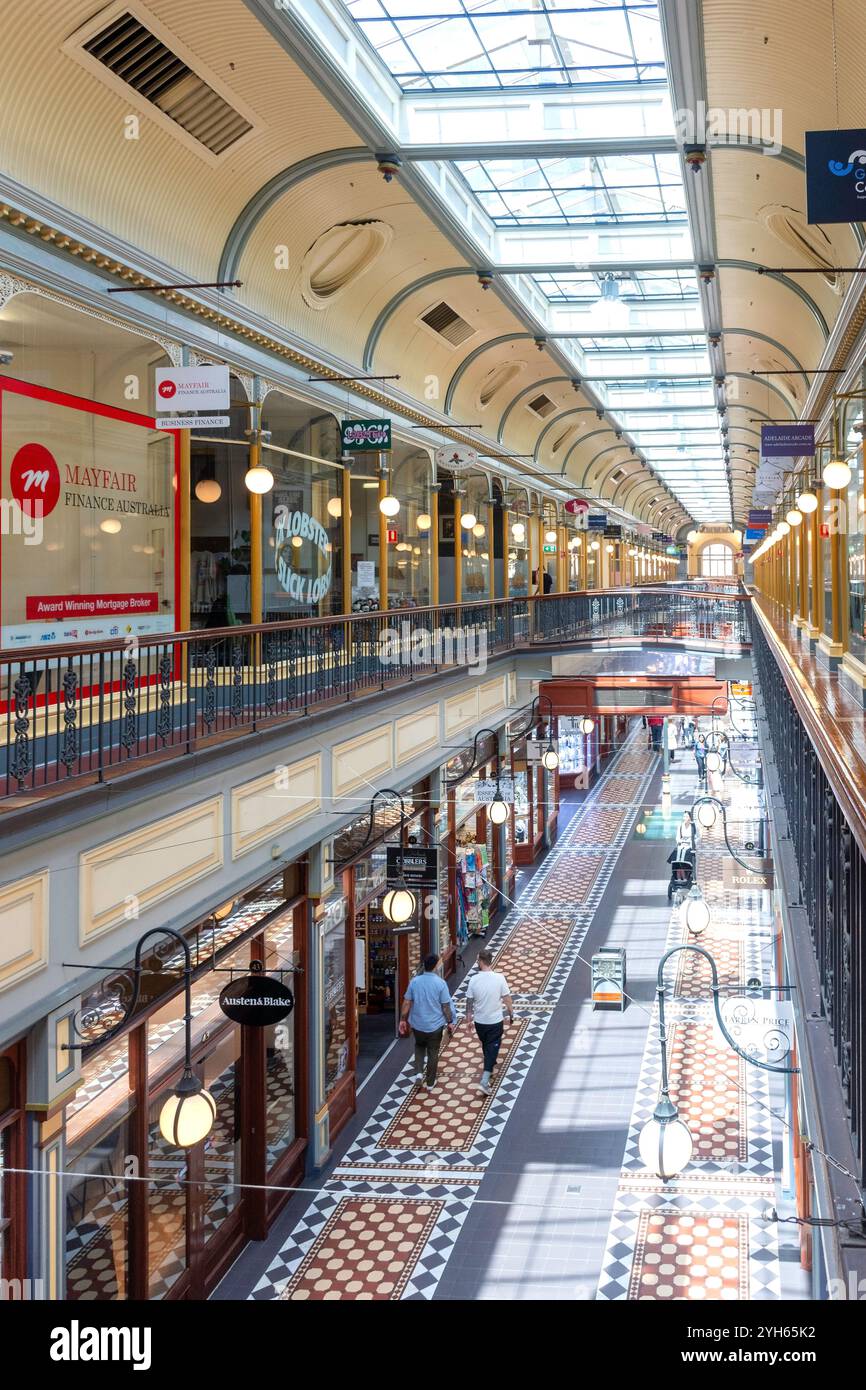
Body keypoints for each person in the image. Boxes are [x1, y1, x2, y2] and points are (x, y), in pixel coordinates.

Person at [399, 954, 454, 1093]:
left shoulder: (415, 982)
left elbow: (407, 1002)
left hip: (417, 1024)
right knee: (433, 1051)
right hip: (435, 1025)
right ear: (435, 966)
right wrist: (450, 1022)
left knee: (419, 1046)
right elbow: (446, 1006)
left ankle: (418, 1072)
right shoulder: (440, 984)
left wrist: (402, 1019)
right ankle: (430, 1082)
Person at [465, 948, 514, 1096]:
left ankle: (490, 1067)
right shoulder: (499, 978)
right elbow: (507, 998)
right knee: (492, 1048)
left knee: (487, 1046)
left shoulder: (473, 980)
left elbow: (469, 1002)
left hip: (480, 1023)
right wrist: (511, 1013)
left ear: (480, 962)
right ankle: (484, 1082)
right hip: (495, 1022)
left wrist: (469, 1020)